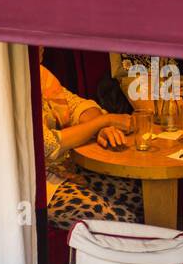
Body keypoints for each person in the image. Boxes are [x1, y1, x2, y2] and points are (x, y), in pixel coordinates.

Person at [40, 57, 140, 228]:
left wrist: (101, 126)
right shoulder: (2, 85)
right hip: (36, 186)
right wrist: (102, 122)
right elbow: (46, 145)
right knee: (119, 221)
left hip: (64, 166)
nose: (42, 47)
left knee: (139, 194)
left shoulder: (39, 73)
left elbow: (76, 105)